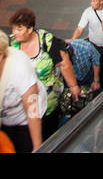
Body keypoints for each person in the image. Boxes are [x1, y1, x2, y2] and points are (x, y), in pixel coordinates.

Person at [9, 8, 81, 140]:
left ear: (30, 29)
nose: (14, 33)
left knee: (47, 134)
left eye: (19, 29)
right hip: (24, 106)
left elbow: (64, 64)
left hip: (48, 103)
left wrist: (73, 86)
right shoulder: (11, 44)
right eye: (13, 29)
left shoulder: (47, 41)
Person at [0, 29, 43, 153]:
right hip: (1, 119)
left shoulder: (19, 66)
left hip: (25, 121)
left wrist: (37, 147)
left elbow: (32, 111)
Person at [72, 0, 103, 90]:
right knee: (96, 66)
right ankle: (98, 84)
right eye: (91, 1)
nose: (91, 3)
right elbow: (80, 28)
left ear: (101, 1)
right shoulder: (88, 12)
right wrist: (73, 42)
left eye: (94, 1)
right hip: (95, 46)